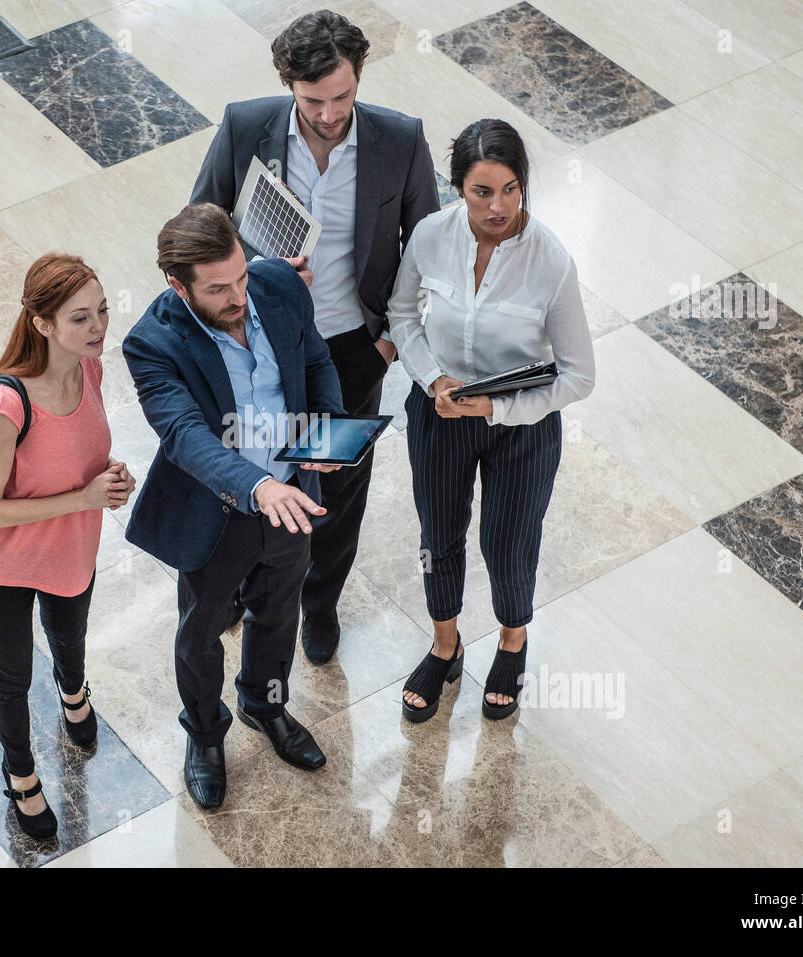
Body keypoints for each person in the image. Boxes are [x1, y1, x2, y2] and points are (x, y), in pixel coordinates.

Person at [191, 9, 439, 665]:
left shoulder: (400, 140)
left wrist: (385, 345)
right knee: (252, 467)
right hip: (258, 347)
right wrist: (254, 262)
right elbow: (197, 228)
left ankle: (319, 603)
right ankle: (244, 586)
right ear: (287, 85)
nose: (330, 115)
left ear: (359, 78)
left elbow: (429, 255)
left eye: (343, 97)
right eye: (313, 101)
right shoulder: (247, 127)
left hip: (352, 351)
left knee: (336, 486)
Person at [121, 203, 346, 809]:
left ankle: (264, 706)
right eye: (218, 289)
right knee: (201, 631)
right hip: (218, 513)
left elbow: (316, 358)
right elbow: (185, 436)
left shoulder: (274, 285)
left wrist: (321, 431)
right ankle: (203, 734)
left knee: (278, 612)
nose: (238, 295)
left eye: (240, 276)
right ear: (179, 285)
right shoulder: (153, 341)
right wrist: (257, 486)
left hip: (293, 496)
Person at [386, 119, 596, 724]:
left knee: (508, 541)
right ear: (458, 190)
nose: (498, 205)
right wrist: (433, 379)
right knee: (439, 536)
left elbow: (578, 376)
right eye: (482, 191)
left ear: (524, 185)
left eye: (510, 188)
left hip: (522, 426)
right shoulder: (430, 236)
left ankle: (511, 640)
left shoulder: (551, 262)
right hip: (441, 411)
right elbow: (402, 314)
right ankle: (445, 643)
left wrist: (498, 407)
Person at [0, 252, 136, 839]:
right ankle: (23, 776)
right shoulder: (6, 404)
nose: (99, 327)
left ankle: (75, 697)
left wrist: (109, 477)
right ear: (43, 323)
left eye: (103, 311)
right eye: (80, 318)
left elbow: (79, 455)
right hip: (1, 566)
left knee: (70, 637)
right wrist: (83, 500)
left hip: (71, 549)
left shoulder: (91, 369)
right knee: (12, 675)